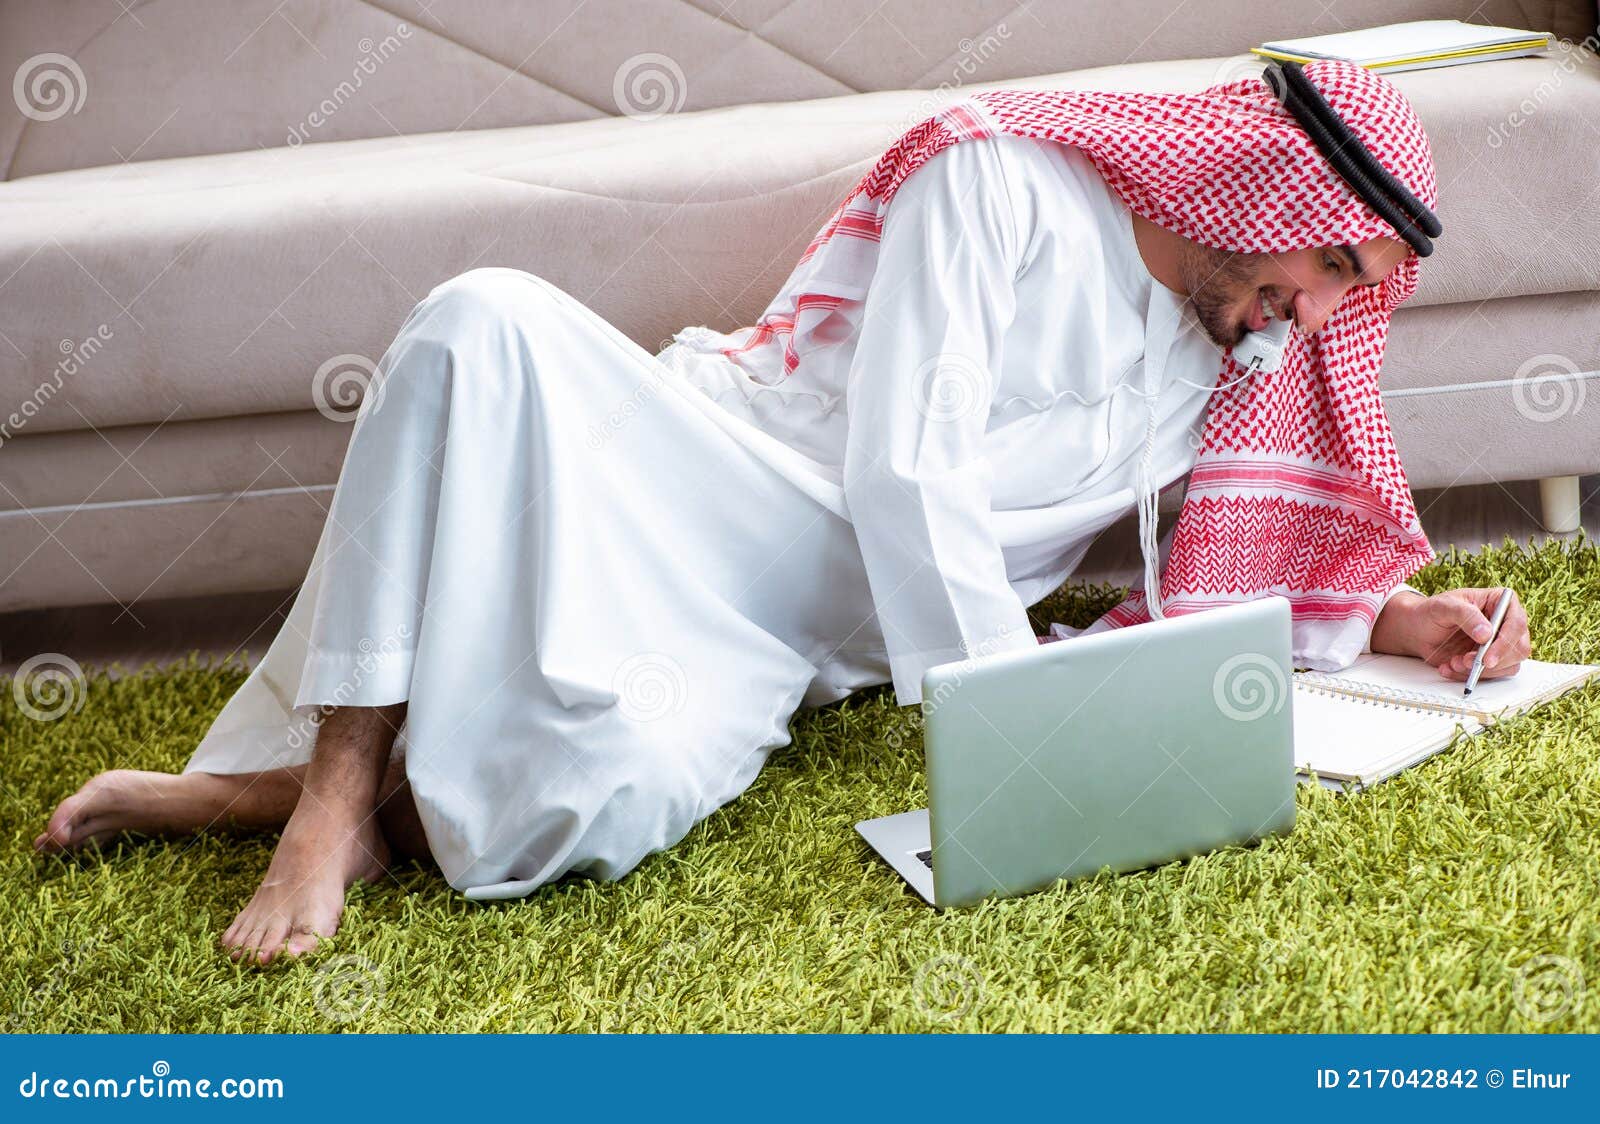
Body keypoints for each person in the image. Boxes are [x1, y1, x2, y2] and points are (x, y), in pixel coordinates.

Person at [36, 61, 1532, 962]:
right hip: (694, 468)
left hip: (796, 638)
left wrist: (1402, 614)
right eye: (1322, 262)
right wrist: (1026, 731)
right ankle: (326, 791)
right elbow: (908, 471)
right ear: (1256, 184)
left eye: (1353, 284)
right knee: (475, 319)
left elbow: (1236, 542)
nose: (1319, 309)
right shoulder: (999, 181)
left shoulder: (1231, 339)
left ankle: (267, 804)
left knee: (564, 819)